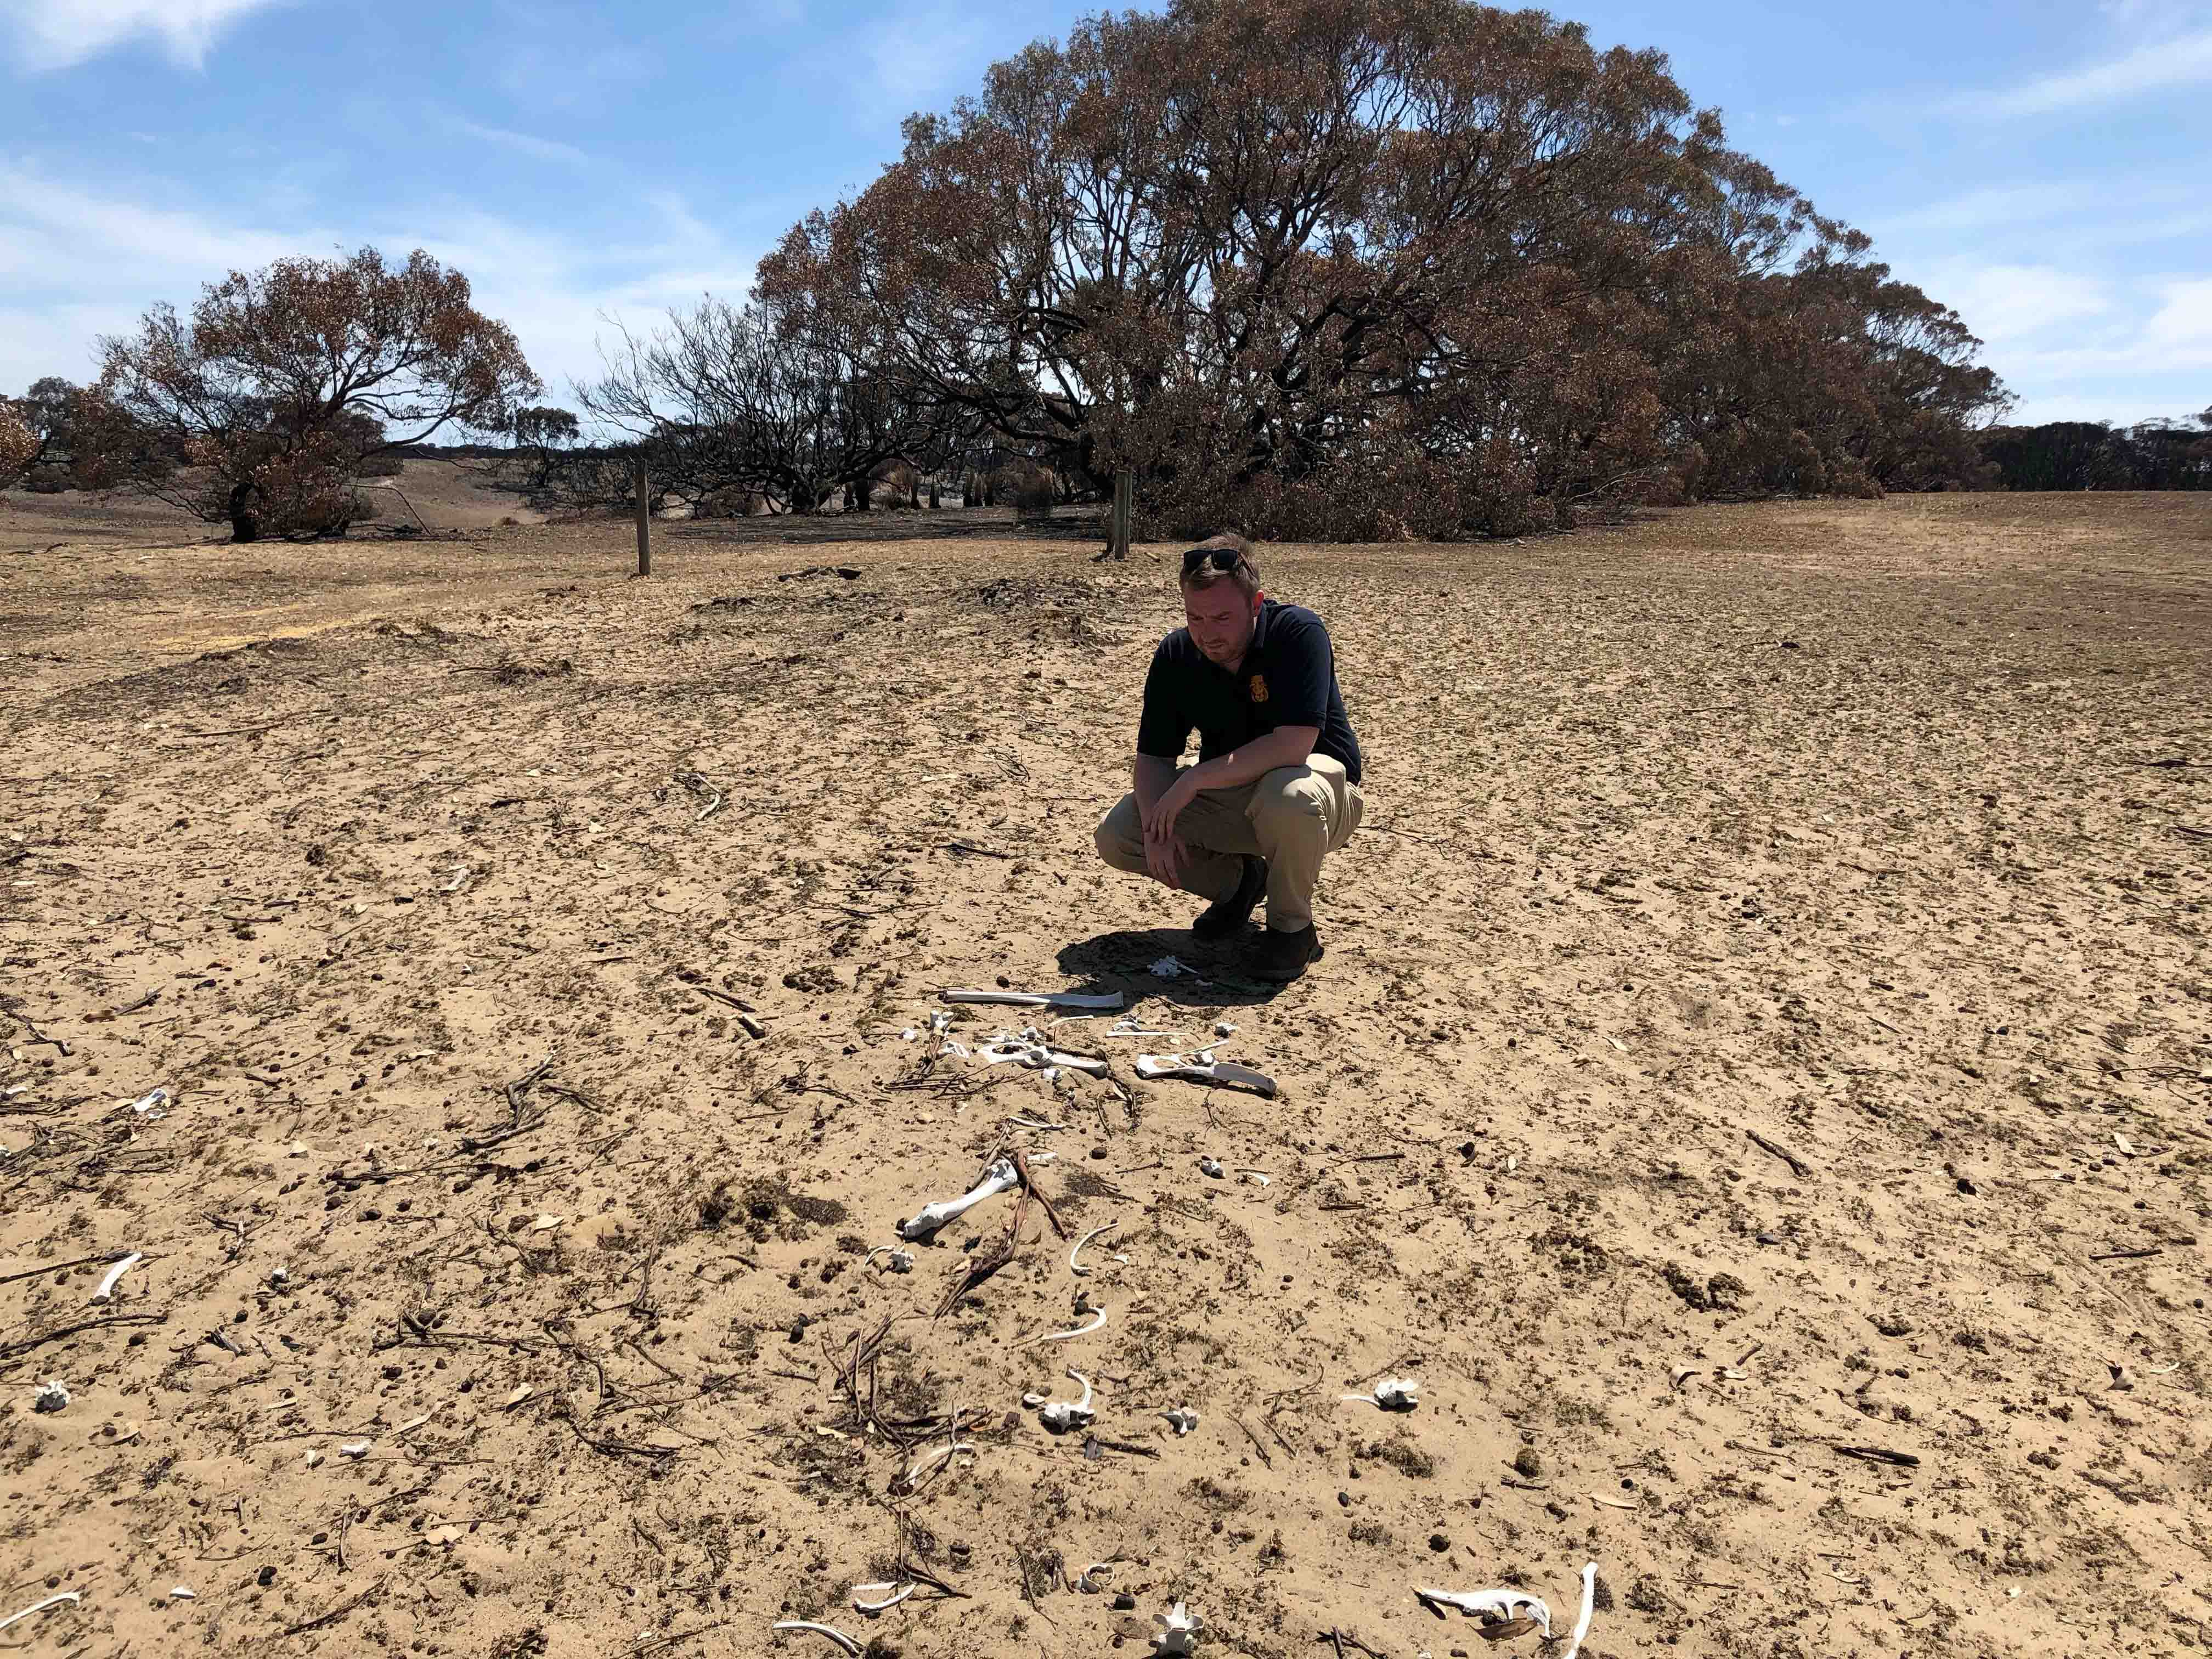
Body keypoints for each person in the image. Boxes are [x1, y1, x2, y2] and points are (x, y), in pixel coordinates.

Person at [1093, 533, 1364, 982]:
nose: (1207, 632)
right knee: (1122, 833)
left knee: (1288, 794)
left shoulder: (1298, 631)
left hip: (1319, 796)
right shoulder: (1177, 653)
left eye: (1222, 616)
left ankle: (1290, 929)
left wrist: (1194, 780)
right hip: (1234, 795)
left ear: (1256, 604)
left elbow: (1294, 745)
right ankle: (1239, 886)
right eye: (1194, 616)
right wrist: (1155, 825)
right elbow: (1154, 759)